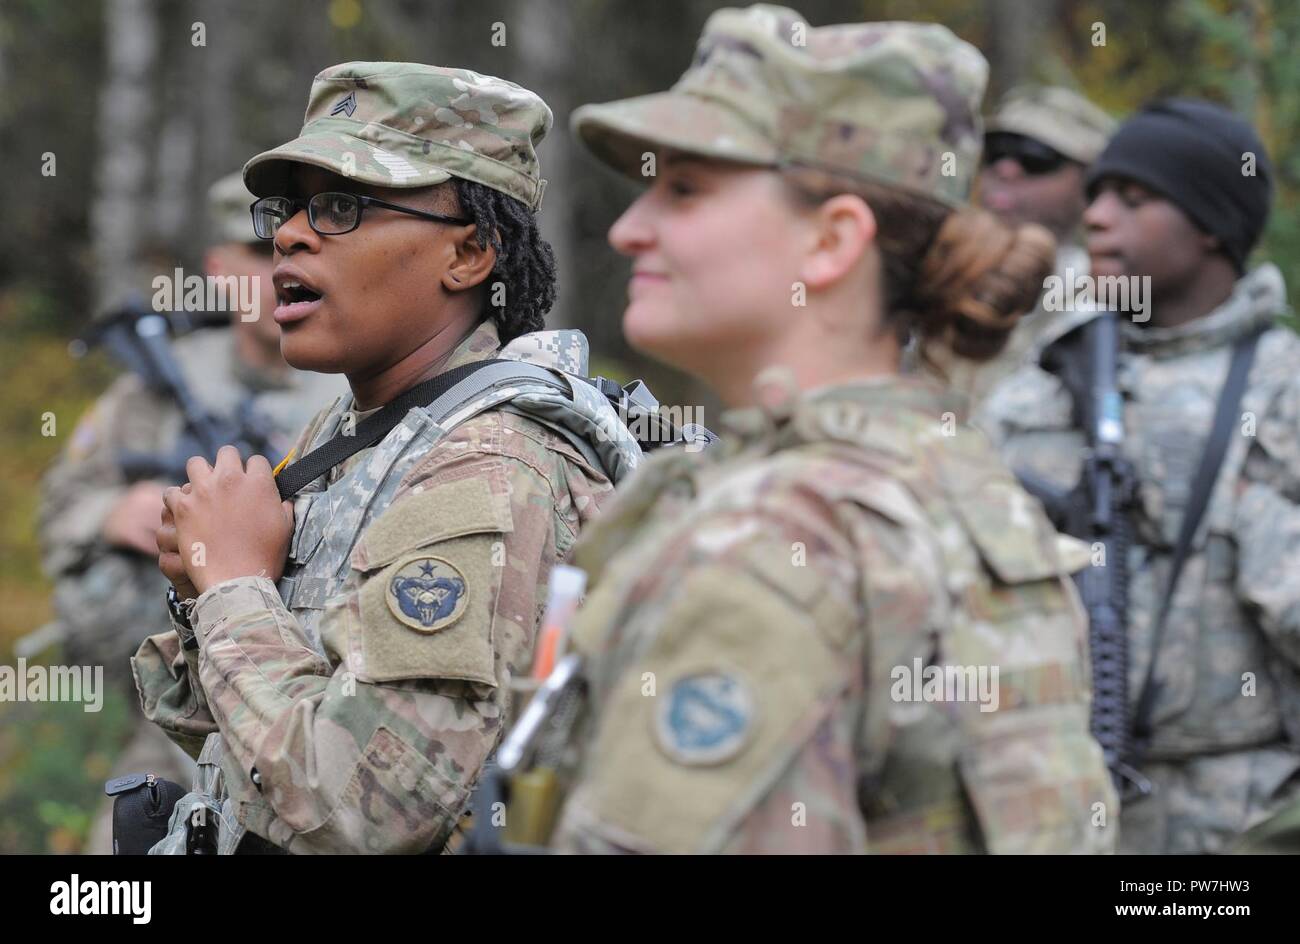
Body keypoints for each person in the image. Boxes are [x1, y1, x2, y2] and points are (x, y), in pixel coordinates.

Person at [523, 4, 1116, 854]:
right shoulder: (958, 480)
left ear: (833, 241)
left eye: (685, 188)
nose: (629, 229)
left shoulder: (775, 534)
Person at [132, 62, 642, 854]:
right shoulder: (356, 431)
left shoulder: (492, 466)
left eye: (342, 205)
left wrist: (232, 588)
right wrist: (206, 588)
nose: (292, 234)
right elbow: (232, 748)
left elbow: (366, 812)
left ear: (470, 254)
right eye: (289, 209)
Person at [980, 99, 1300, 854]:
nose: (1097, 216)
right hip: (1055, 802)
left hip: (1244, 815)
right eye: (1095, 194)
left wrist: (1248, 517)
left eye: (1135, 197)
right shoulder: (1043, 383)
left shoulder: (1283, 389)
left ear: (1210, 224)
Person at [38, 171, 345, 854]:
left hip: (324, 727)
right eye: (257, 254)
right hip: (174, 723)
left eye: (297, 248)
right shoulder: (153, 389)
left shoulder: (354, 388)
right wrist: (116, 511)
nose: (281, 270)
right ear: (218, 268)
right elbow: (59, 508)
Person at [956, 85, 1116, 408]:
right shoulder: (936, 271)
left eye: (1036, 158)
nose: (1006, 169)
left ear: (1090, 184)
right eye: (996, 151)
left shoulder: (1104, 300)